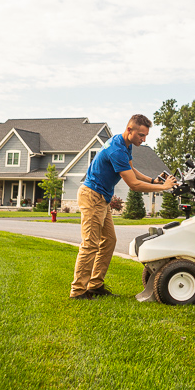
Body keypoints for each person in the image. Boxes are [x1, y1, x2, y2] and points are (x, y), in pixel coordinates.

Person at [69, 114, 176, 300]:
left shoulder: (124, 144)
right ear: (129, 130)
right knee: (90, 244)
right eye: (141, 135)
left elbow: (131, 170)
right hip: (92, 196)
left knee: (109, 240)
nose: (143, 140)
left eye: (145, 136)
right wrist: (162, 187)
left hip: (102, 198)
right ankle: (78, 291)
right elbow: (133, 185)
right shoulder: (117, 150)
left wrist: (152, 180)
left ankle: (95, 285)